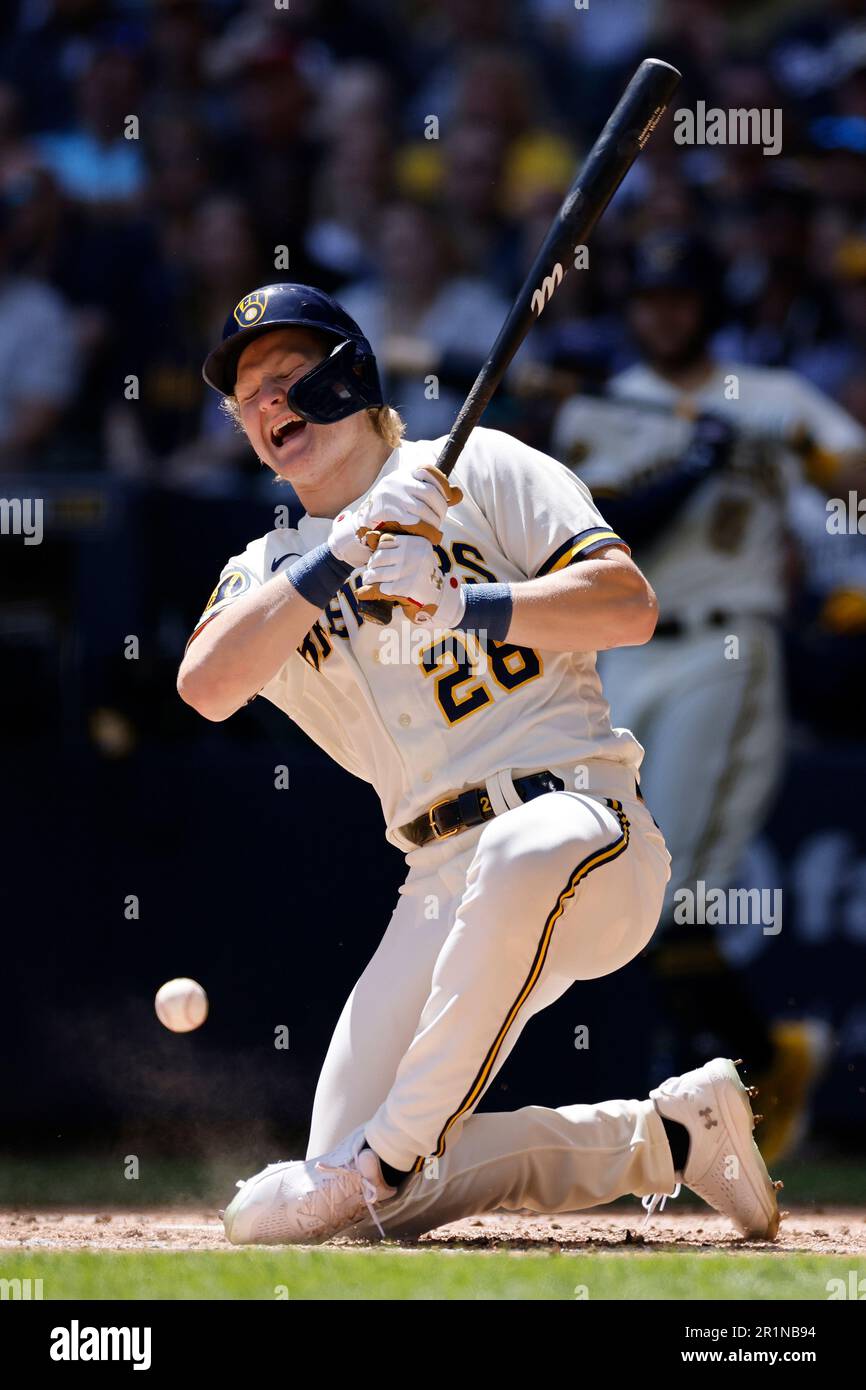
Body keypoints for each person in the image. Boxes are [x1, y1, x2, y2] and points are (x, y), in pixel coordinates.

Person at [176, 281, 780, 1246]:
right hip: (434, 881)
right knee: (289, 1218)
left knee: (373, 1166)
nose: (268, 409)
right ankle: (669, 1140)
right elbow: (207, 684)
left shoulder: (482, 466)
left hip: (586, 828)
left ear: (352, 377)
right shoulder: (274, 563)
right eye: (248, 400)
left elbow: (627, 604)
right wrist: (338, 552)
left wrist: (469, 604)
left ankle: (381, 1161)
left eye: (288, 380)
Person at [553, 232, 866, 1162]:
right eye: (648, 301)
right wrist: (693, 458)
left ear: (706, 307)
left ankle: (724, 1088)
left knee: (674, 884)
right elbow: (607, 527)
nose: (663, 316)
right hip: (621, 654)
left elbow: (856, 475)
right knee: (627, 889)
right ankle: (766, 1060)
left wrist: (798, 444)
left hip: (728, 644)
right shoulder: (602, 409)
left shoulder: (769, 396)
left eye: (679, 299)